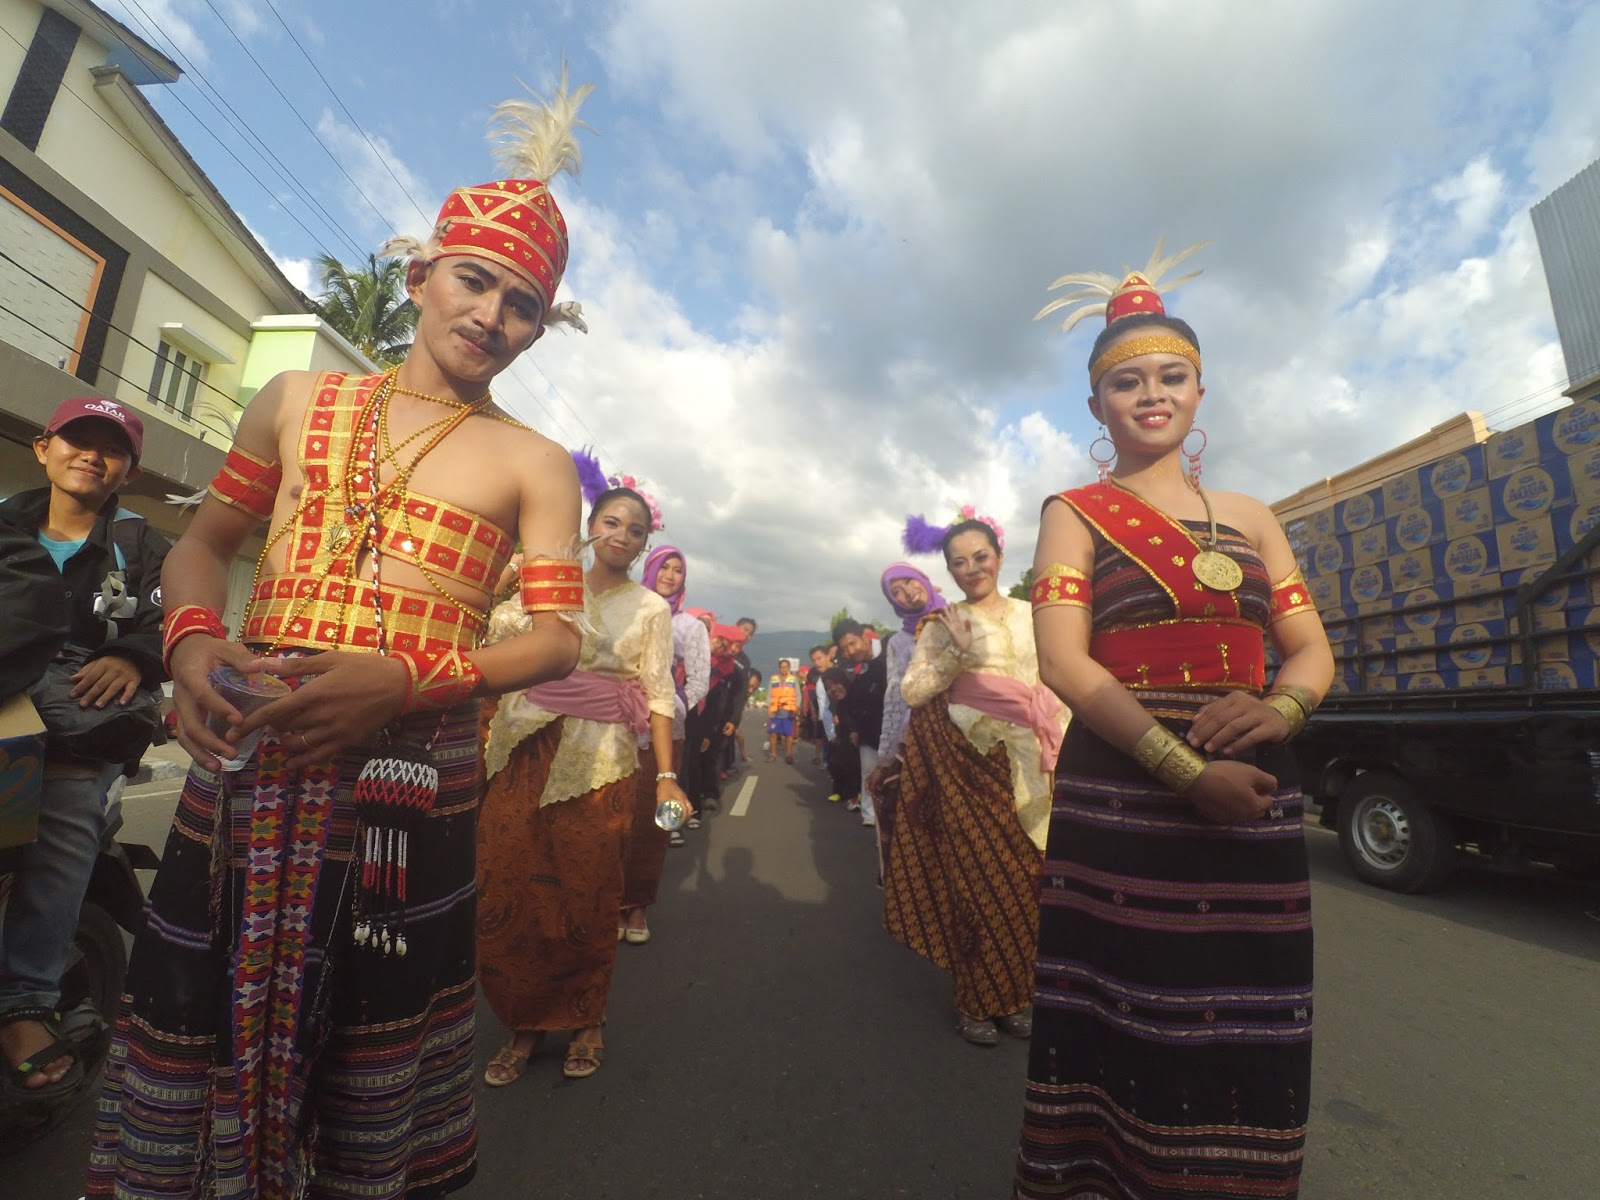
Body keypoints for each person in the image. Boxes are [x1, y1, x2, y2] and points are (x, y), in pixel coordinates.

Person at [85, 78, 595, 1200]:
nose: (490, 317)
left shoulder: (533, 462)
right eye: (474, 280)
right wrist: (188, 645)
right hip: (255, 748)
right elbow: (201, 545)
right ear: (420, 275)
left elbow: (557, 641)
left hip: (414, 776)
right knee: (202, 1009)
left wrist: (407, 681)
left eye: (521, 305)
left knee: (376, 1031)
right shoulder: (295, 401)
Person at [1014, 251, 1333, 1198]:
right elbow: (1063, 662)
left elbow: (1313, 653)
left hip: (1257, 788)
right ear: (1096, 404)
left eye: (1170, 376)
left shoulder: (1252, 517)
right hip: (1124, 791)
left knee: (1252, 1007)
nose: (1150, 395)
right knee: (1127, 1004)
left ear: (1199, 390)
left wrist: (1278, 708)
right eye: (1126, 381)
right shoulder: (1073, 514)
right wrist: (1183, 770)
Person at [476, 476, 682, 1084]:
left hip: (602, 763)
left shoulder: (651, 608)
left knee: (587, 893)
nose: (621, 535)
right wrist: (506, 582)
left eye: (636, 529)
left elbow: (659, 694)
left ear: (646, 544)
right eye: (612, 522)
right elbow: (489, 637)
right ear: (591, 526)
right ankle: (522, 1024)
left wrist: (667, 777)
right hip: (520, 747)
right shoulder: (544, 584)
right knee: (505, 880)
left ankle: (586, 1018)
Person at [0, 398, 167, 1097]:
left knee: (62, 813)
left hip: (79, 709)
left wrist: (134, 656)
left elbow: (183, 618)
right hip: (6, 676)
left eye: (110, 448)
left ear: (126, 469)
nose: (90, 456)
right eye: (77, 441)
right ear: (44, 448)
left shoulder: (142, 544)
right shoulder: (5, 518)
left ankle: (24, 1001)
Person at [877, 519, 1066, 1046]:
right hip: (968, 765)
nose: (970, 570)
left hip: (1036, 764)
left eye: (979, 557)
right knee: (978, 884)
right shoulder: (942, 623)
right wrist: (956, 653)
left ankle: (1017, 995)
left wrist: (1063, 740)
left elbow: (1057, 680)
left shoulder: (1037, 616)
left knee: (1030, 885)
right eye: (958, 562)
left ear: (999, 555)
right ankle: (976, 1001)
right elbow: (914, 692)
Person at [622, 545, 709, 918]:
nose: (671, 575)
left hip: (663, 732)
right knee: (613, 814)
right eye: (665, 567)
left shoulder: (688, 626)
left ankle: (638, 905)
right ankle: (609, 903)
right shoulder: (628, 608)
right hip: (616, 725)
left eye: (679, 571)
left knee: (655, 818)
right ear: (651, 568)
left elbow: (700, 679)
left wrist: (671, 707)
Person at [685, 625, 749, 813]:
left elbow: (738, 695)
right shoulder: (695, 655)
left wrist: (733, 720)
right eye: (725, 642)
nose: (731, 648)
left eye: (738, 645)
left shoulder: (736, 667)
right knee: (691, 760)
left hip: (715, 718)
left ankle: (708, 795)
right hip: (689, 713)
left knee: (710, 755)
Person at [832, 618, 886, 827]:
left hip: (896, 730)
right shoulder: (858, 669)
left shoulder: (890, 651)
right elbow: (853, 701)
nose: (851, 651)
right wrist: (854, 728)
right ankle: (870, 816)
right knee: (868, 773)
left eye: (852, 643)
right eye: (845, 649)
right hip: (869, 731)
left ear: (865, 636)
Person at [818, 667, 861, 805]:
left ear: (843, 680)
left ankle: (857, 793)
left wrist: (855, 731)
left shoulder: (857, 696)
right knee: (834, 756)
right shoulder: (840, 704)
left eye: (835, 683)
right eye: (828, 688)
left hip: (863, 737)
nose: (833, 689)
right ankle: (840, 791)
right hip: (846, 737)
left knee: (851, 757)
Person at [765, 658, 801, 762]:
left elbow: (798, 694)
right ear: (779, 668)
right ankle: (773, 755)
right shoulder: (774, 679)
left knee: (789, 734)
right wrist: (769, 708)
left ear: (789, 668)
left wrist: (797, 708)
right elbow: (769, 694)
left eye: (786, 667)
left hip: (788, 711)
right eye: (782, 667)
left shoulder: (793, 679)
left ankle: (789, 755)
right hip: (775, 711)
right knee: (773, 733)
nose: (784, 669)